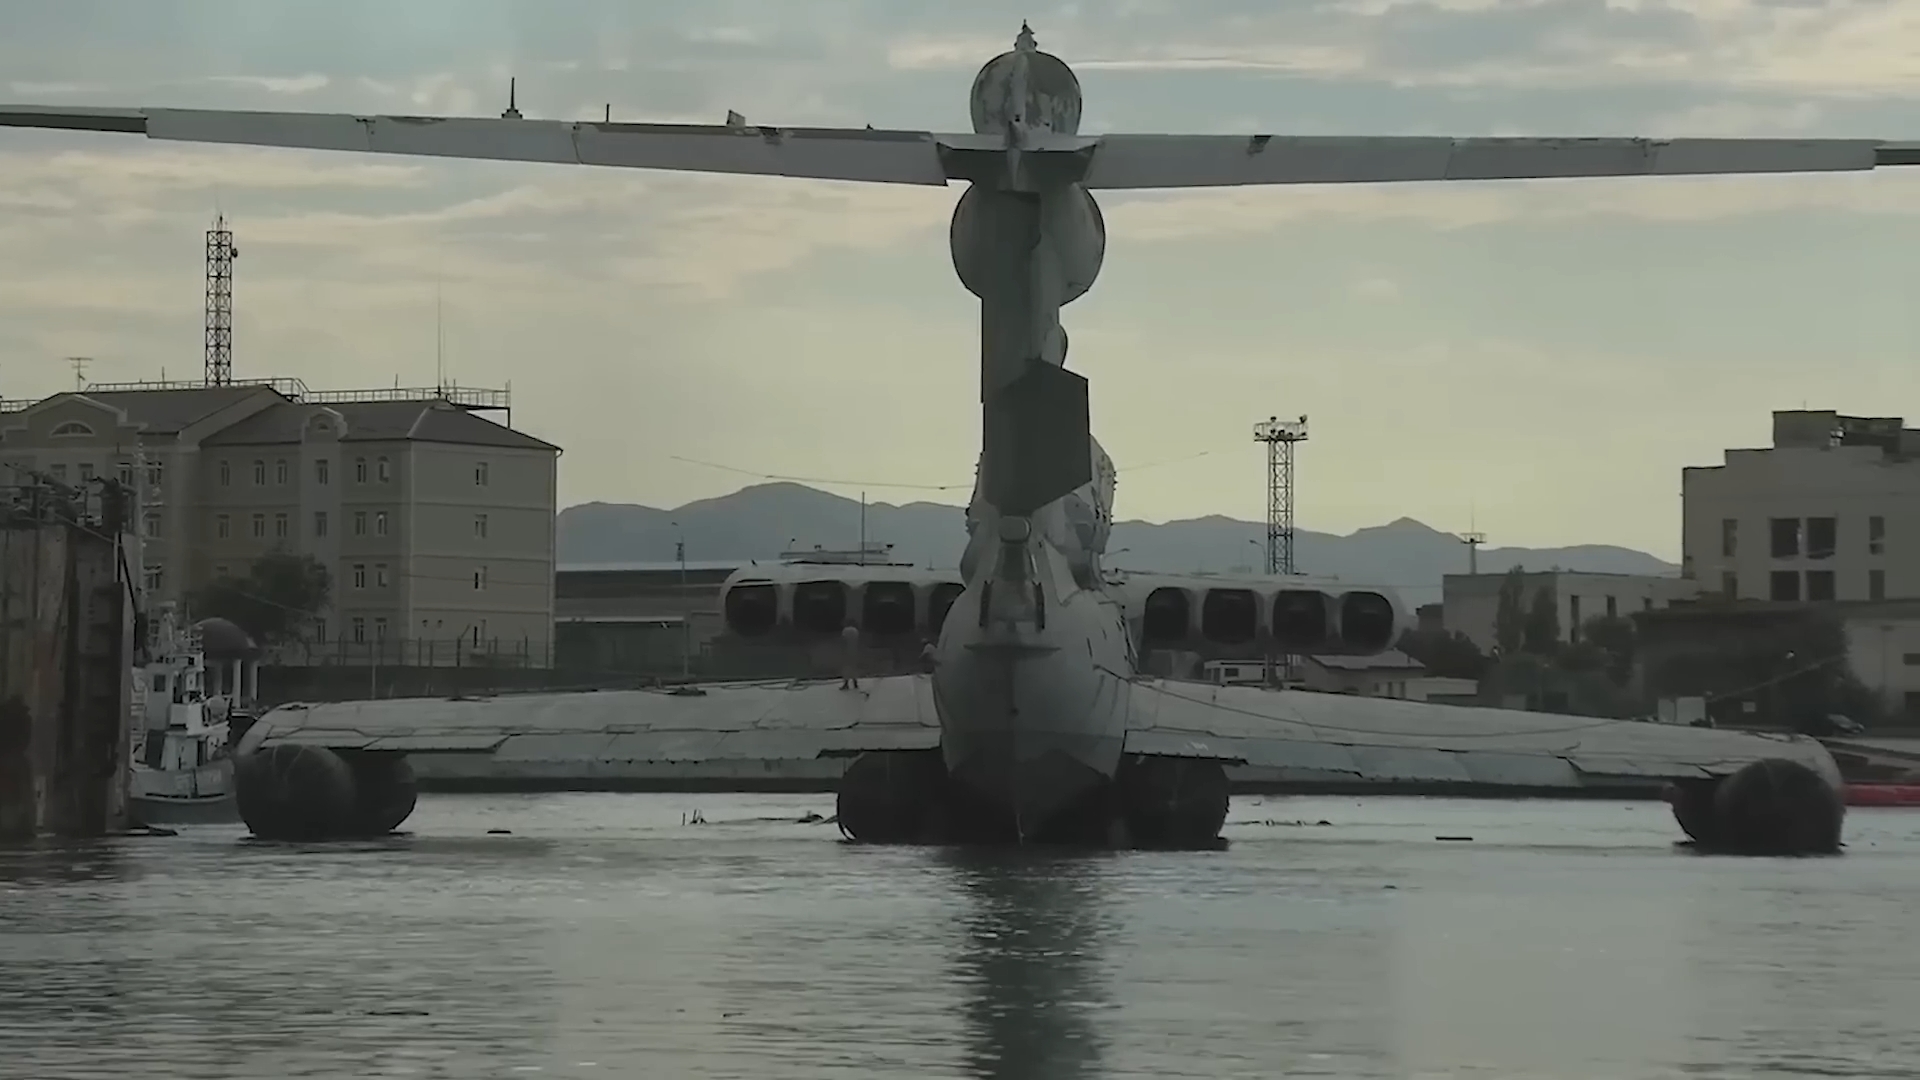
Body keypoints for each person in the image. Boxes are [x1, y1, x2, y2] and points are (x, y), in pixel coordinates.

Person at [839, 621, 861, 690]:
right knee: (854, 667)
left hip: (847, 651)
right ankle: (855, 683)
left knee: (846, 667)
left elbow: (844, 641)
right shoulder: (855, 630)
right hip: (854, 651)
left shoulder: (845, 630)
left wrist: (842, 650)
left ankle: (846, 683)